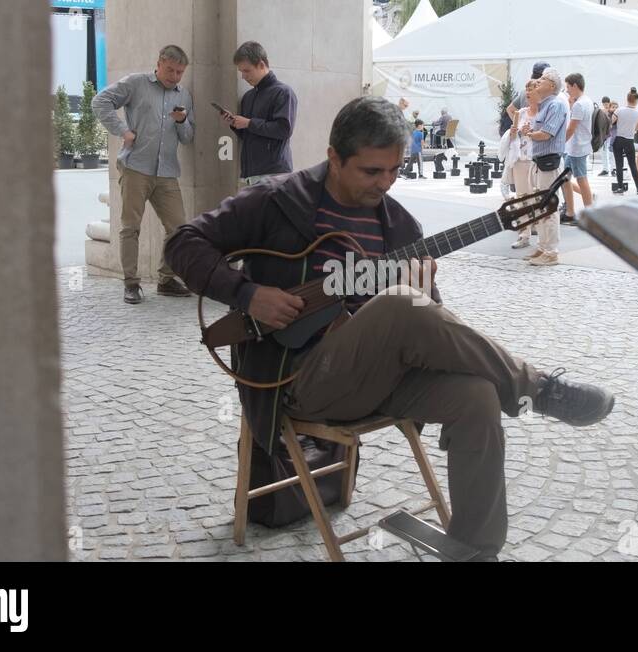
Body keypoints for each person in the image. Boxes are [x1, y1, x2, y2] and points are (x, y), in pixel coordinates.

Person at [164, 96, 615, 560]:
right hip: (296, 379)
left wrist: (427, 292)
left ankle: (476, 549)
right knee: (400, 303)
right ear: (334, 157)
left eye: (395, 170)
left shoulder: (398, 225)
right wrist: (248, 294)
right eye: (371, 171)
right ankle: (539, 389)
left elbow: (427, 327)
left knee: (477, 396)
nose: (385, 183)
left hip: (376, 379)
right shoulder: (278, 200)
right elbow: (181, 244)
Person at [92, 44, 195, 304]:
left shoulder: (184, 96)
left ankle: (166, 279)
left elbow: (188, 137)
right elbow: (100, 101)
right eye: (170, 70)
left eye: (179, 72)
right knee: (130, 227)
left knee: (178, 228)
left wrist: (182, 122)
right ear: (159, 63)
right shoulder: (136, 84)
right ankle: (131, 283)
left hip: (167, 172)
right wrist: (122, 130)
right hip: (136, 167)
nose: (174, 77)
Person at [220, 41, 298, 188]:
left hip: (275, 174)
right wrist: (235, 124)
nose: (243, 76)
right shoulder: (248, 97)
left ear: (261, 65)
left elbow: (284, 130)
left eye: (247, 71)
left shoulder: (283, 92)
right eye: (241, 71)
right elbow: (249, 135)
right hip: (250, 175)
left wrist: (249, 123)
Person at [525, 69, 569, 266]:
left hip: (549, 161)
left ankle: (551, 252)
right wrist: (531, 132)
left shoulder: (557, 105)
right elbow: (539, 132)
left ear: (551, 85)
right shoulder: (545, 105)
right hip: (541, 161)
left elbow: (546, 134)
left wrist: (530, 134)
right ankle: (543, 247)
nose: (538, 81)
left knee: (549, 207)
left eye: (542, 79)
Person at [509, 79, 542, 250]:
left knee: (537, 196)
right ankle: (523, 234)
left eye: (532, 89)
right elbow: (512, 138)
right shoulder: (520, 113)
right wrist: (516, 133)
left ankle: (542, 236)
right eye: (527, 90)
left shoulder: (545, 112)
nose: (528, 93)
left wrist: (533, 132)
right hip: (521, 159)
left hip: (537, 159)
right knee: (521, 197)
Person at [561, 73, 595, 226]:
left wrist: (560, 144)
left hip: (577, 148)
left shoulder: (580, 105)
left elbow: (571, 129)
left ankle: (590, 216)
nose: (567, 90)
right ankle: (570, 211)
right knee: (564, 178)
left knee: (581, 180)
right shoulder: (586, 101)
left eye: (568, 87)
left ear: (575, 86)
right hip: (577, 147)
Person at [611, 88, 638, 195]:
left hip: (619, 139)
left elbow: (610, 123)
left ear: (627, 99)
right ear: (636, 100)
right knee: (632, 165)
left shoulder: (619, 110)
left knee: (619, 164)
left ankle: (620, 188)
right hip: (629, 141)